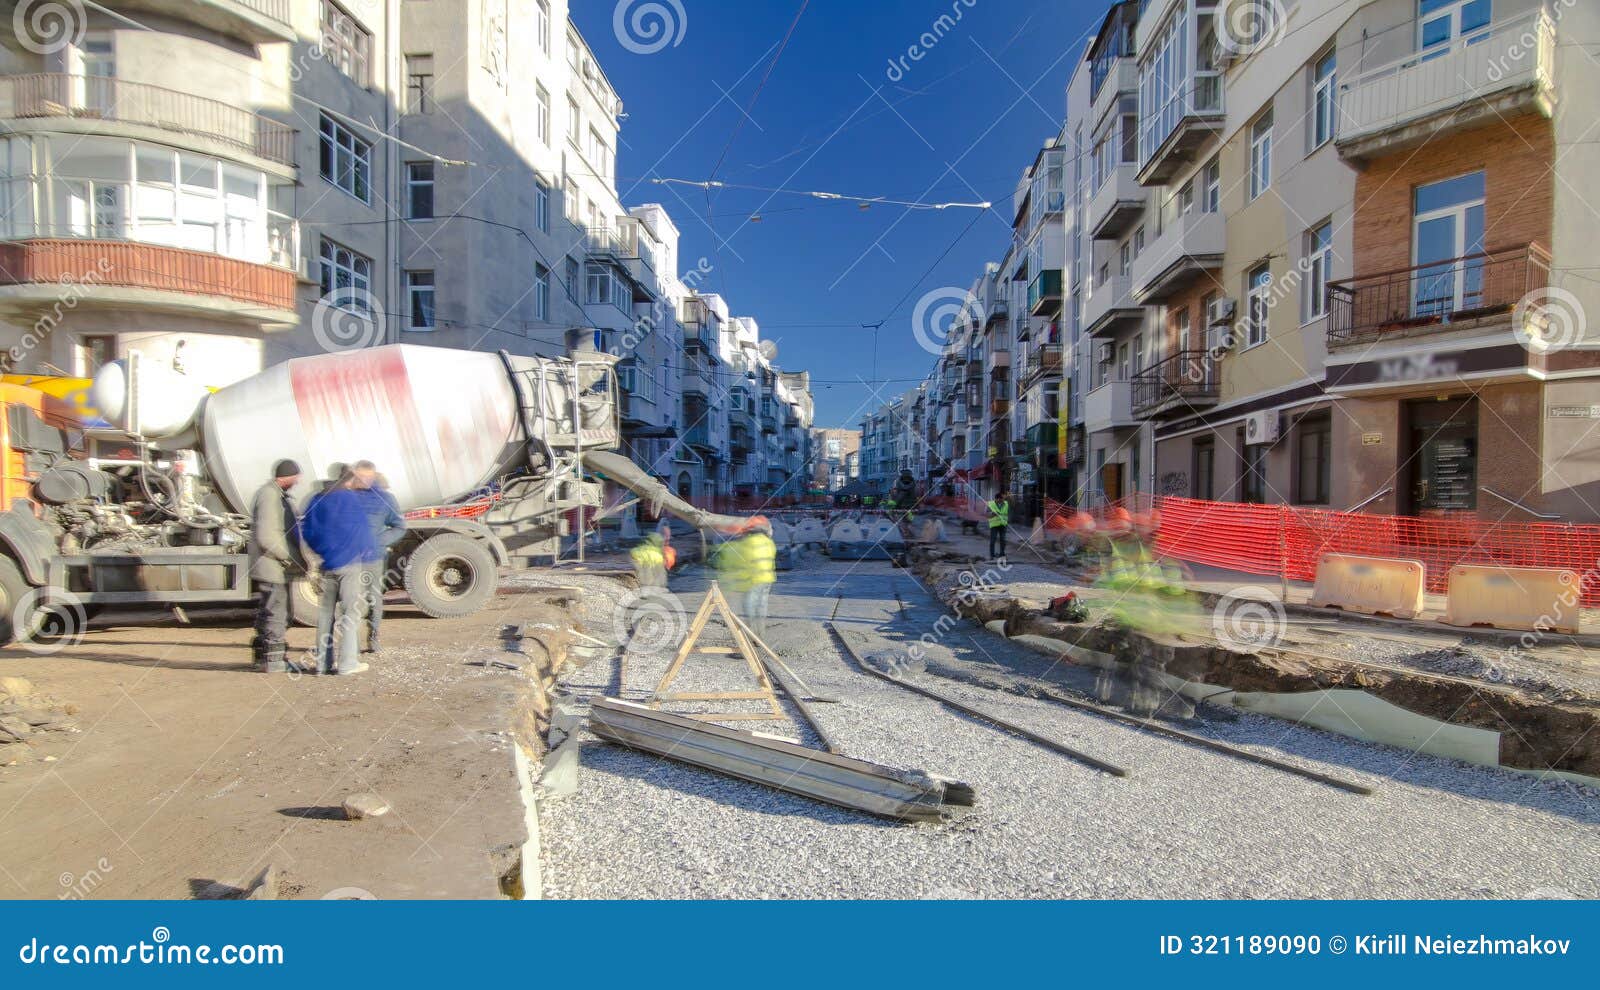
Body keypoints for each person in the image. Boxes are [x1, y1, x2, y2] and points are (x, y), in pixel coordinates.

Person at [298, 468, 377, 676]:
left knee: (325, 615)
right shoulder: (349, 499)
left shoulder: (317, 499)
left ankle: (323, 665)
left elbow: (307, 531)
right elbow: (362, 529)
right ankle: (348, 664)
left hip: (327, 564)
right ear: (349, 480)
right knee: (350, 614)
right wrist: (367, 553)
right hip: (350, 564)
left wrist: (322, 552)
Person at [248, 459, 303, 673]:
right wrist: (287, 558)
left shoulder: (274, 494)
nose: (298, 481)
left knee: (270, 610)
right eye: (296, 477)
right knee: (277, 612)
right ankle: (274, 661)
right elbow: (267, 536)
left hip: (272, 566)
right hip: (272, 566)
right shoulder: (269, 496)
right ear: (286, 476)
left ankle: (265, 657)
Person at [352, 463, 405, 654]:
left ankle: (373, 637)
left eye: (367, 476)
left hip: (373, 558)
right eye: (359, 476)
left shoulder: (385, 498)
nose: (363, 480)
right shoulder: (347, 497)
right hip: (350, 558)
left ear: (373, 476)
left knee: (374, 598)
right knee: (352, 600)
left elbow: (399, 526)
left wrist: (379, 542)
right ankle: (354, 643)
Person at [719, 517, 777, 638]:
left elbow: (733, 559)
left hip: (754, 581)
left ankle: (752, 635)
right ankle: (760, 632)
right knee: (761, 606)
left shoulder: (748, 543)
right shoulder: (769, 542)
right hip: (767, 580)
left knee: (749, 606)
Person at [986, 491, 1010, 562]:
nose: (1001, 501)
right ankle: (992, 555)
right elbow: (987, 515)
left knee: (1003, 540)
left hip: (1003, 524)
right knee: (992, 540)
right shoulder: (990, 504)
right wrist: (992, 514)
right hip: (994, 525)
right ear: (996, 499)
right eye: (1000, 500)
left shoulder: (1006, 503)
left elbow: (1007, 513)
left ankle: (1002, 554)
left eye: (1002, 499)